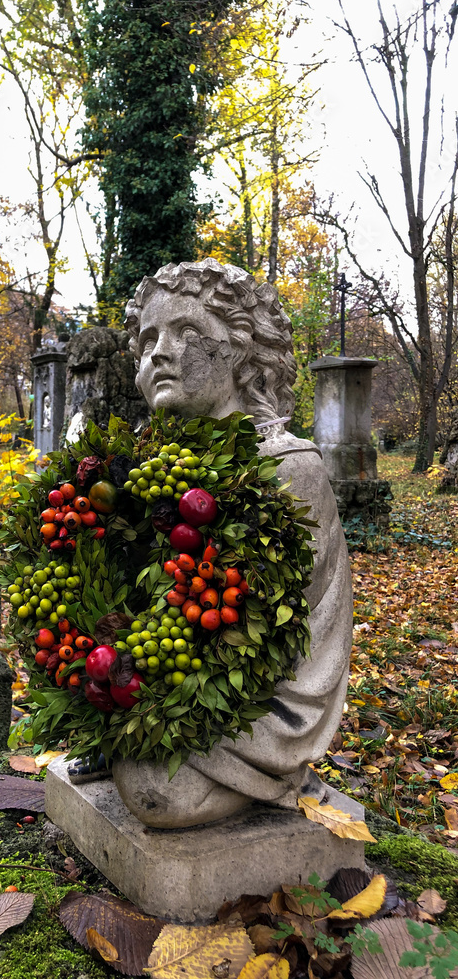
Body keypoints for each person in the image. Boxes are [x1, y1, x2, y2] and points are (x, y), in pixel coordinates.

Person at [110, 257, 352, 828]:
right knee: (116, 740)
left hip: (262, 707)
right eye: (148, 339)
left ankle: (268, 774)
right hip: (178, 683)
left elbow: (256, 643)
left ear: (244, 354)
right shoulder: (161, 468)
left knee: (153, 791)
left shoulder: (287, 470)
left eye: (187, 333)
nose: (159, 352)